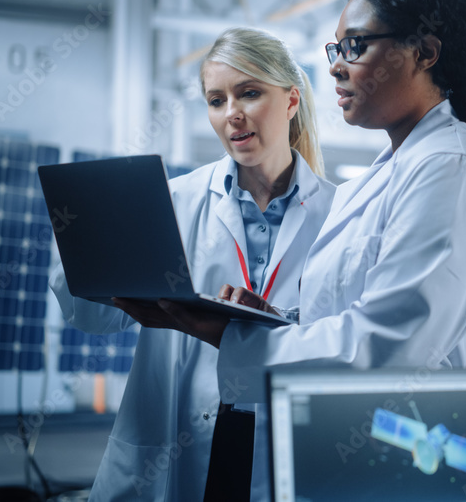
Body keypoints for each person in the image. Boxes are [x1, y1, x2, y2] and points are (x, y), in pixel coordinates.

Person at [129, 0, 466, 497]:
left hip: (422, 464)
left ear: (425, 52)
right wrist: (274, 324)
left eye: (355, 45)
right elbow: (346, 318)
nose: (336, 67)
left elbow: (387, 349)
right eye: (336, 50)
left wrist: (223, 332)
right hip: (362, 459)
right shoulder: (383, 177)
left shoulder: (452, 169)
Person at [49, 27, 335, 501]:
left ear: (290, 100)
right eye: (216, 100)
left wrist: (281, 323)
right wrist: (86, 251)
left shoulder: (341, 214)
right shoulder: (171, 202)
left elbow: (349, 337)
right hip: (177, 435)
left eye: (249, 93)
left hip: (285, 433)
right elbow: (95, 317)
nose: (232, 115)